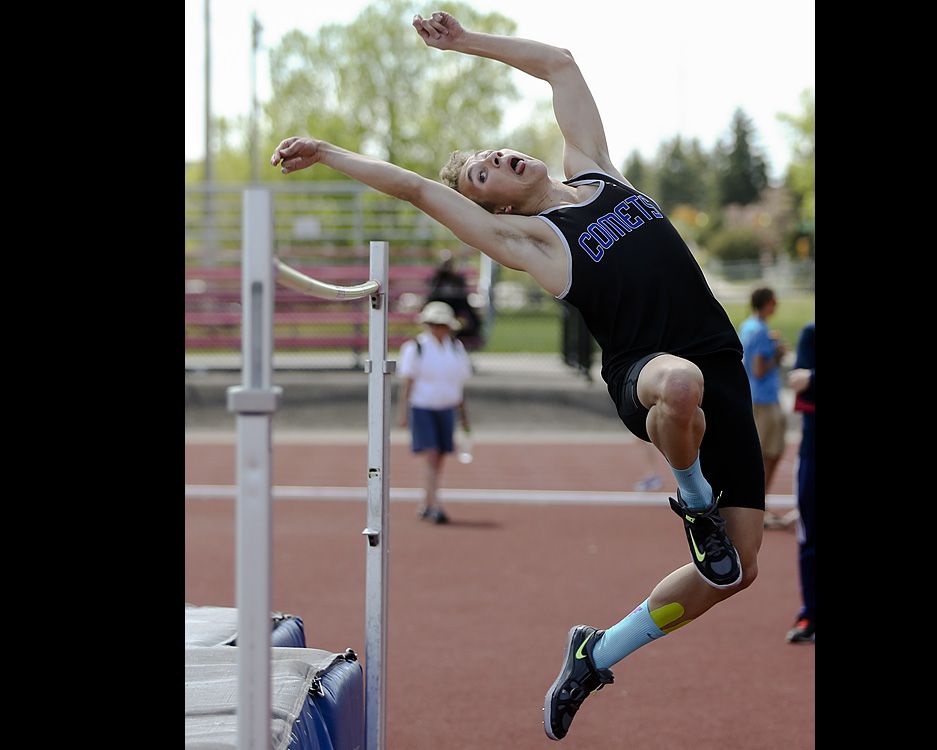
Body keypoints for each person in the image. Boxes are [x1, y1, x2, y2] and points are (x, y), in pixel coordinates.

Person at [272, 11, 764, 741]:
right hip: (647, 373)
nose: (498, 158)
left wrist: (465, 42)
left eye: (493, 153)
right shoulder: (535, 242)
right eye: (484, 173)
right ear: (496, 207)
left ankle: (595, 654)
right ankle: (694, 505)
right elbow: (418, 191)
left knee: (738, 571)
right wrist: (328, 151)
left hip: (721, 366)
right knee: (679, 385)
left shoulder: (599, 172)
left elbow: (561, 63)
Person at [397, 301, 472, 525]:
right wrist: (404, 411)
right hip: (423, 407)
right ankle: (436, 504)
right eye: (434, 324)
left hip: (447, 408)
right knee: (430, 454)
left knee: (439, 457)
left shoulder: (456, 348)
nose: (438, 329)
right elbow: (408, 382)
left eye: (441, 325)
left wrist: (463, 414)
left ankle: (426, 501)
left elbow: (458, 384)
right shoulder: (415, 348)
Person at [738, 287, 787, 495]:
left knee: (761, 452)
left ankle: (756, 499)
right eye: (774, 302)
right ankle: (757, 499)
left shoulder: (748, 326)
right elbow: (759, 369)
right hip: (764, 398)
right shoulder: (760, 331)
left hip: (754, 395)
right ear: (767, 303)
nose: (776, 305)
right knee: (769, 453)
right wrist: (777, 354)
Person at [785, 322, 815, 643]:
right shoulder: (810, 334)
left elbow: (807, 381)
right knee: (810, 537)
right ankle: (811, 614)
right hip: (812, 453)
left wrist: (812, 379)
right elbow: (798, 382)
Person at [426, 251, 482, 346]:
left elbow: (462, 297)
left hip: (455, 306)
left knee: (472, 317)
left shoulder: (457, 279)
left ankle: (467, 336)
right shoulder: (436, 279)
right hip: (438, 305)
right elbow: (431, 296)